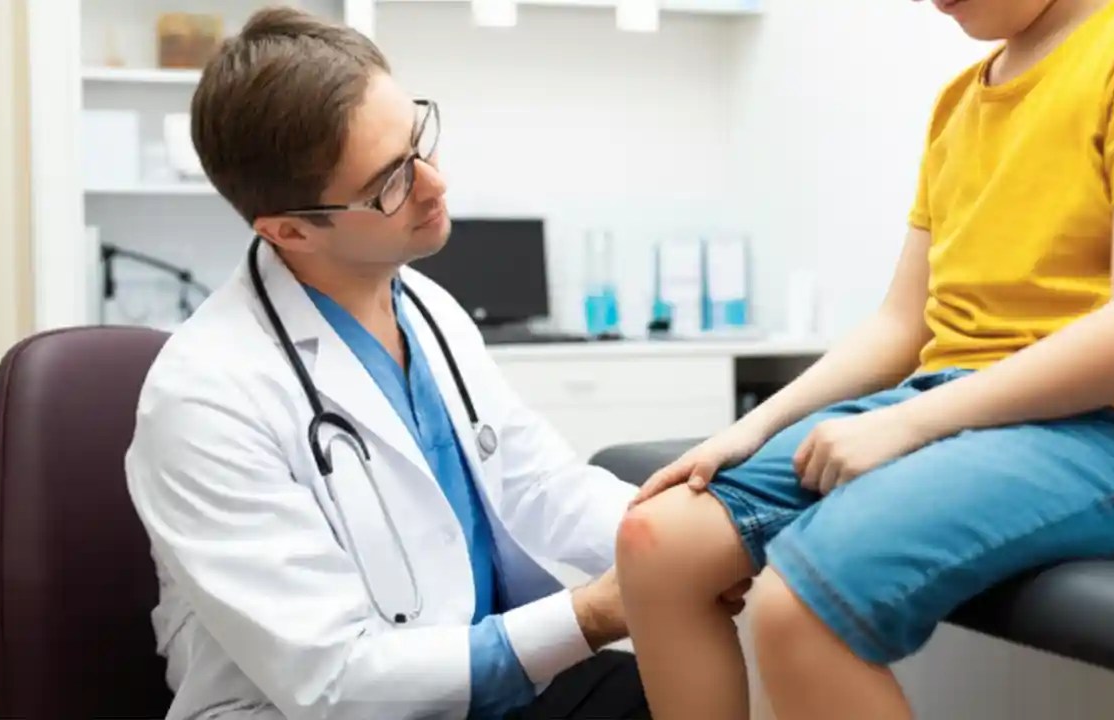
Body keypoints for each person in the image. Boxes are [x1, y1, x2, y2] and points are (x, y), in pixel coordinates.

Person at [615, 1, 1114, 718]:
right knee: (655, 544)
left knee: (802, 606)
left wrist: (914, 423)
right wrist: (752, 429)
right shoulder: (959, 100)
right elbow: (902, 322)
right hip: (952, 399)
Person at [124, 7, 701, 719]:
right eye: (389, 182)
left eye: (418, 141)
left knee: (694, 693)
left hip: (486, 684)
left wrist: (678, 539)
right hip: (329, 711)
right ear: (290, 229)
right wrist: (595, 614)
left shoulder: (426, 306)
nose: (435, 183)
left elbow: (536, 483)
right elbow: (335, 680)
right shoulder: (205, 397)